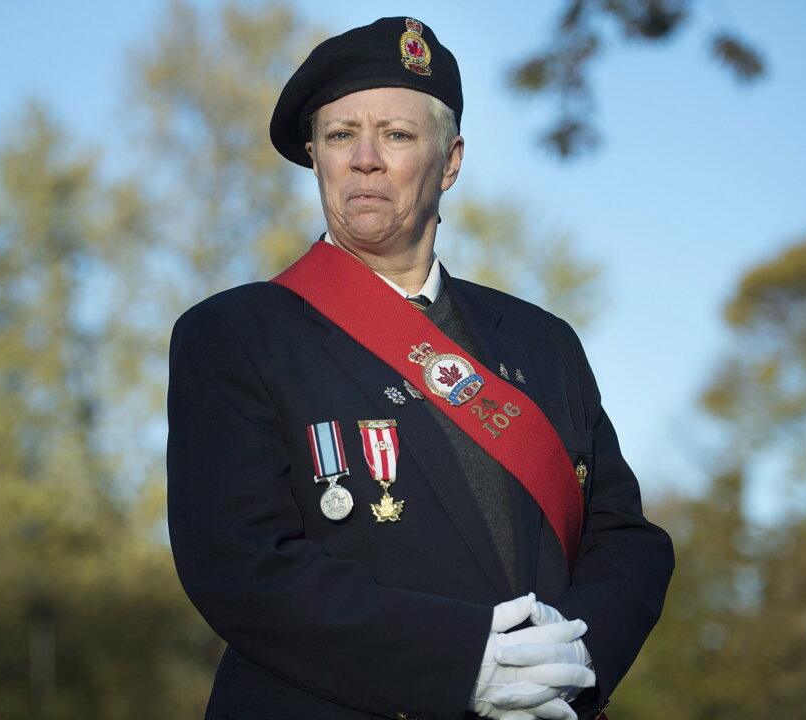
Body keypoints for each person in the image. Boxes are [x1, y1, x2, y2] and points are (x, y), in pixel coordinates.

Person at [167, 16, 673, 720]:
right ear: (316, 157)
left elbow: (624, 538)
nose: (365, 158)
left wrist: (573, 659)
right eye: (341, 135)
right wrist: (466, 661)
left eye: (397, 135)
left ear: (451, 161)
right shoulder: (234, 336)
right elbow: (241, 566)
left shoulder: (542, 342)